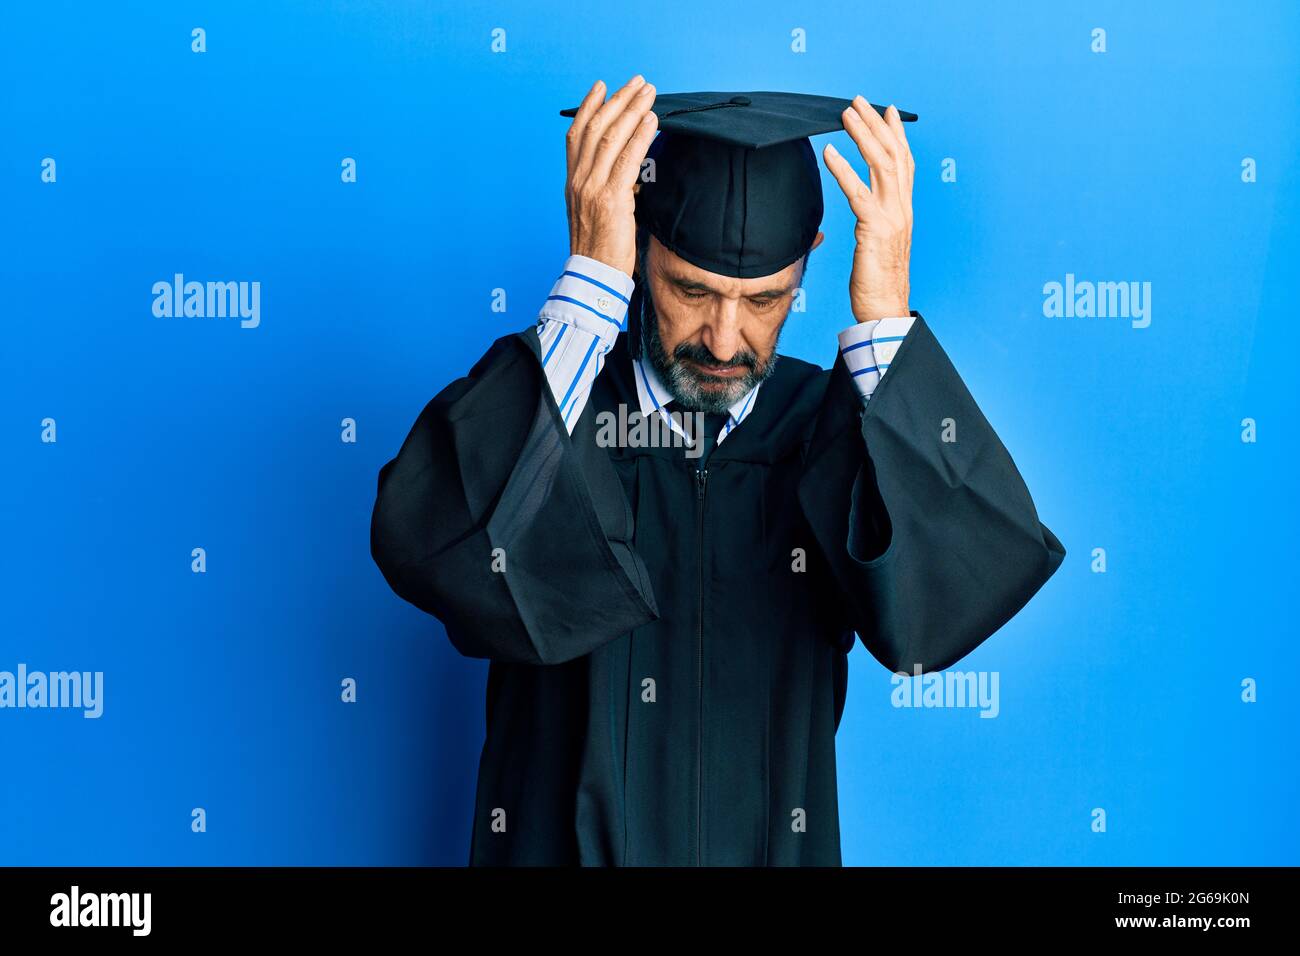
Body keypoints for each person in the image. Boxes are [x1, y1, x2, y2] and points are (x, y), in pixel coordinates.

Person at [370, 78, 1065, 866]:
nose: (726, 340)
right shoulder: (552, 414)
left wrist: (885, 322)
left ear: (807, 265)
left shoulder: (831, 429)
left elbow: (950, 607)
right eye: (692, 290)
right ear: (641, 251)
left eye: (765, 300)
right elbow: (425, 539)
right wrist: (590, 282)